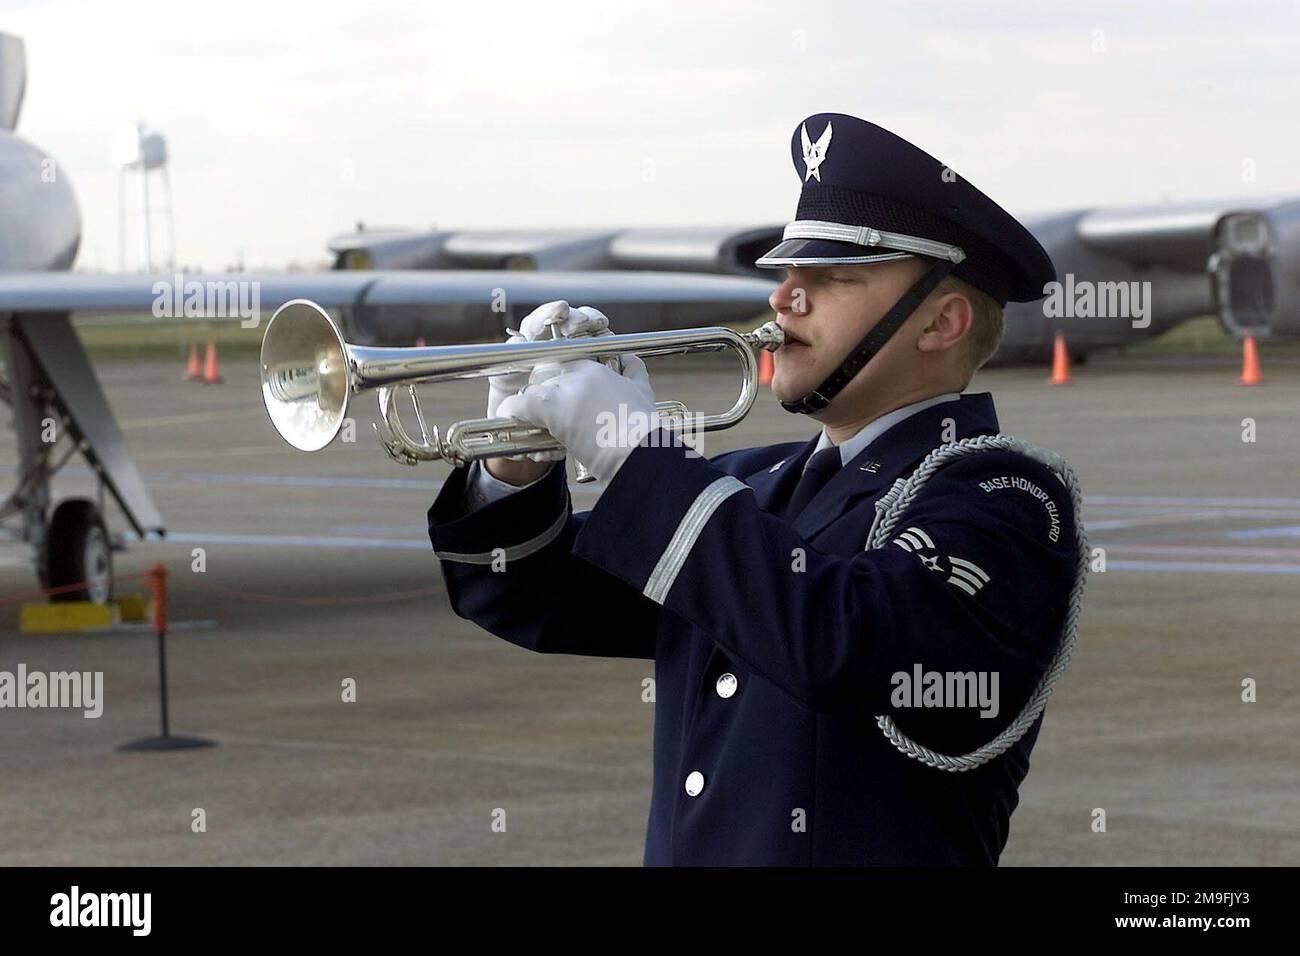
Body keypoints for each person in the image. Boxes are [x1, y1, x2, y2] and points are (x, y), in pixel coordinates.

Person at [428, 112, 1084, 865]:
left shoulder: (1004, 499)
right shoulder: (751, 486)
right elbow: (528, 601)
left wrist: (639, 457)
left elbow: (842, 643)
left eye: (832, 277)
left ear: (940, 322)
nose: (783, 298)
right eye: (785, 272)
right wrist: (518, 464)